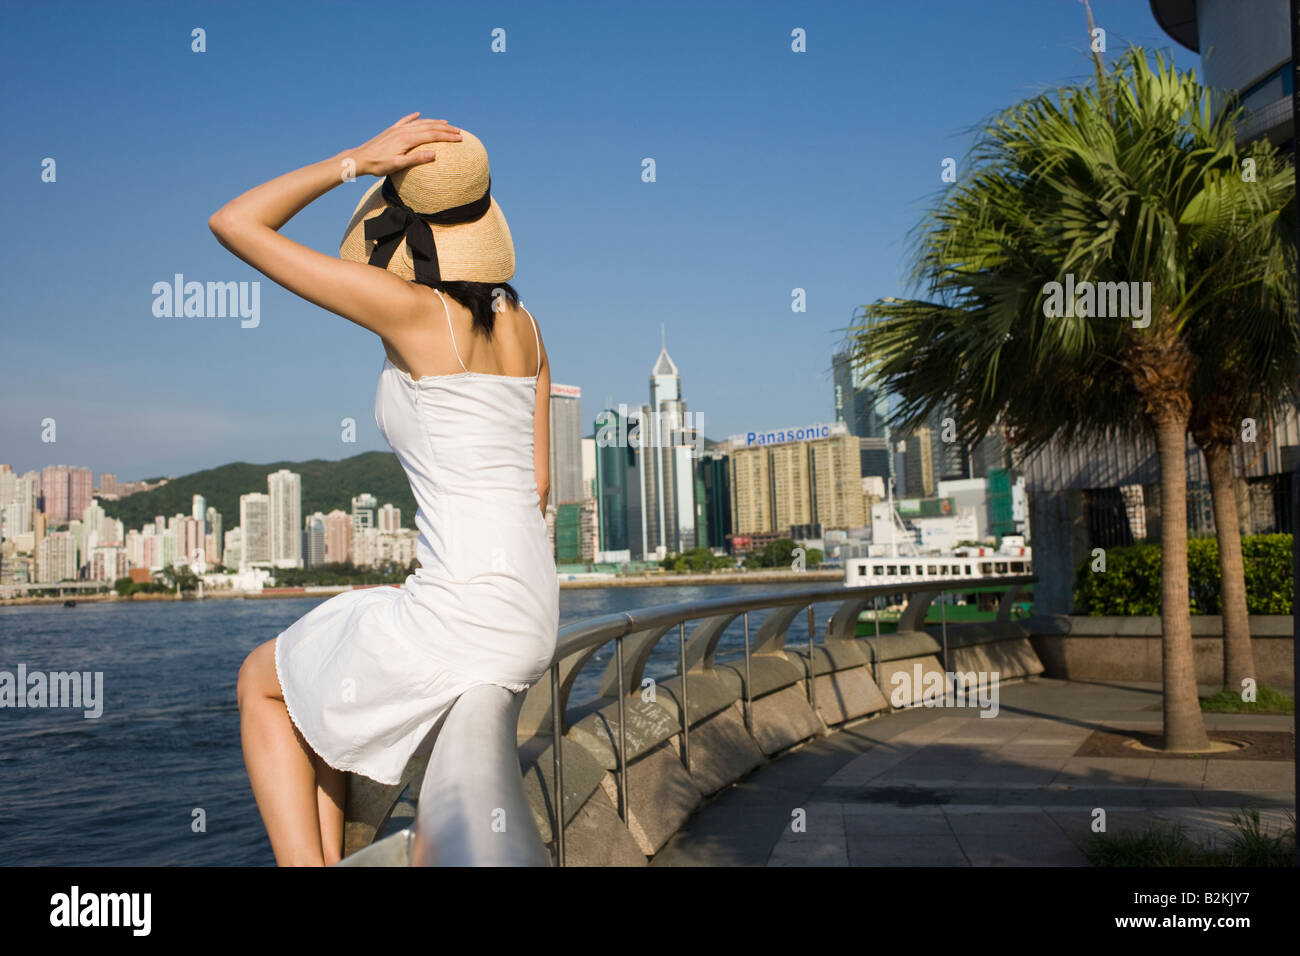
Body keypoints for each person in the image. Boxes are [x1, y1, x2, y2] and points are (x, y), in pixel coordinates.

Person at [209, 114, 559, 866]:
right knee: (320, 672)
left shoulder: (409, 311)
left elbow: (233, 222)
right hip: (531, 615)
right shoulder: (527, 327)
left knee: (258, 683)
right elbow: (536, 484)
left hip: (467, 616)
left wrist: (357, 162)